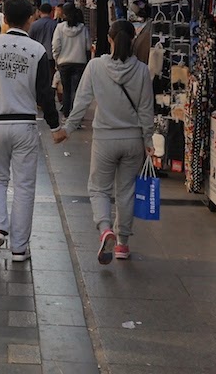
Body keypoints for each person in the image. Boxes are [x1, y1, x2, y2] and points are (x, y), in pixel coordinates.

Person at [53, 20, 155, 263]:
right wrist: (148, 138)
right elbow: (146, 108)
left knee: (99, 188)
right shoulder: (141, 70)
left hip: (105, 139)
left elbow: (82, 101)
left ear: (109, 39)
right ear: (132, 40)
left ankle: (105, 228)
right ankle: (122, 244)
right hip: (133, 140)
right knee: (126, 191)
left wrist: (68, 128)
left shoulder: (95, 66)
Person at [0, 0, 60, 261]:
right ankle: (20, 248)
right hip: (25, 125)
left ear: (5, 20)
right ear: (30, 19)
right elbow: (45, 94)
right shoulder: (37, 51)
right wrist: (56, 127)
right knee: (24, 186)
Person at [52, 2, 90, 119]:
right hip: (80, 62)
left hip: (64, 63)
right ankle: (76, 116)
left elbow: (56, 46)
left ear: (64, 14)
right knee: (77, 91)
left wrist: (57, 59)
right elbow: (88, 46)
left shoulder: (59, 28)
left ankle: (66, 115)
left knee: (66, 90)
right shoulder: (83, 28)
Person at [29, 3, 58, 68]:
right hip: (51, 56)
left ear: (40, 12)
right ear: (51, 12)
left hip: (37, 55)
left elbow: (30, 40)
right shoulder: (56, 25)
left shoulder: (34, 25)